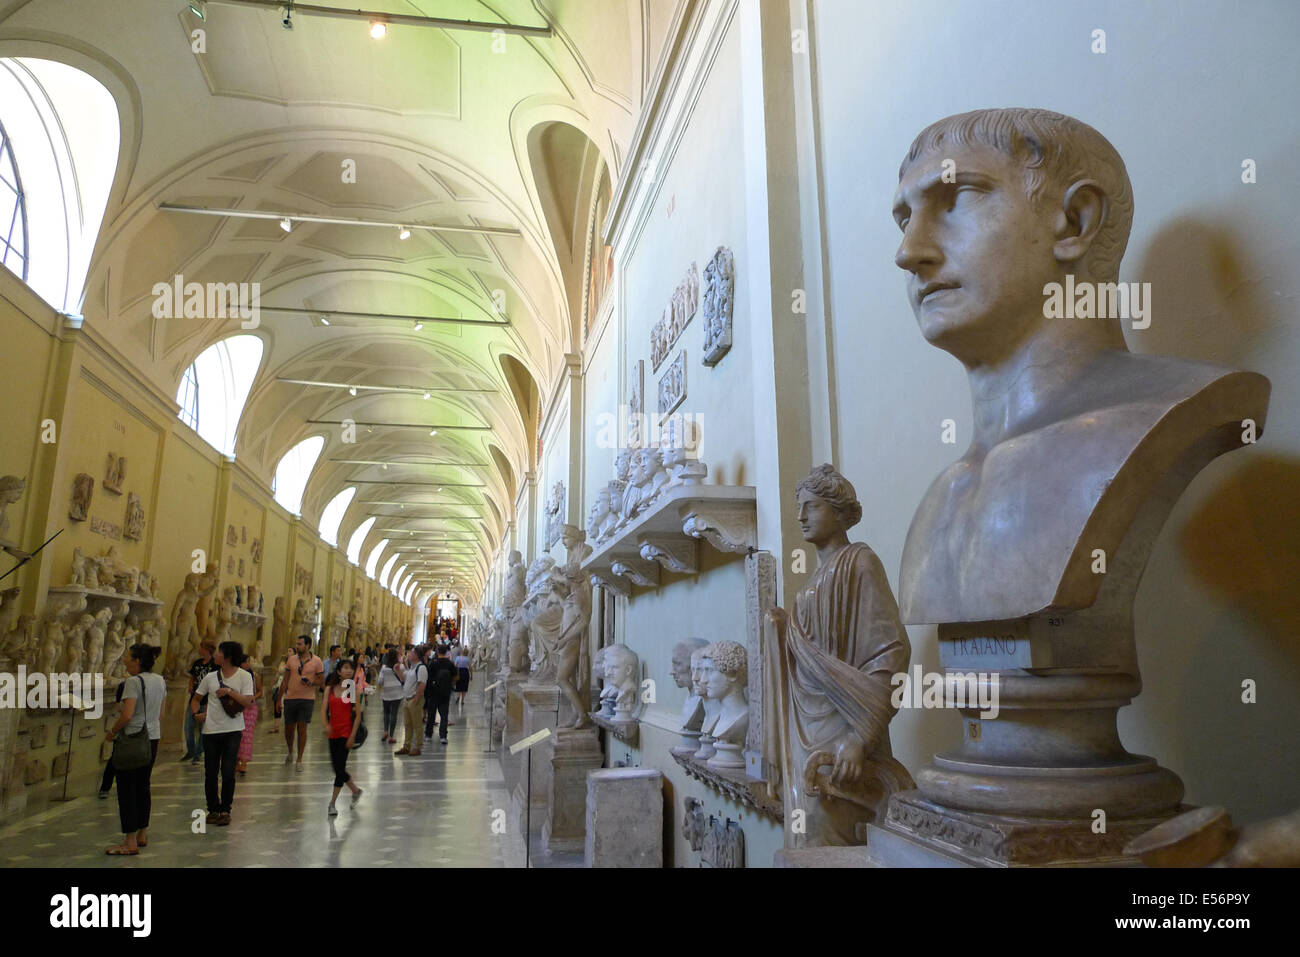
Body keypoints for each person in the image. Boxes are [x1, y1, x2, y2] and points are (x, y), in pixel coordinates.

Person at [104, 644, 166, 855]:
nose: (125, 661)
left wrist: (112, 732)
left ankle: (129, 841)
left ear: (137, 660)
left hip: (132, 738)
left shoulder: (133, 682)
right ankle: (142, 832)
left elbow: (127, 714)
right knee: (143, 786)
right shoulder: (159, 680)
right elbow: (161, 713)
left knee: (126, 789)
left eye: (128, 657)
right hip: (152, 737)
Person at [192, 641, 255, 827]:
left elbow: (248, 701)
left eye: (219, 652)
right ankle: (212, 809)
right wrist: (196, 714)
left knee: (228, 772)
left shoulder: (244, 676)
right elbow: (196, 698)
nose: (216, 655)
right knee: (210, 773)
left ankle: (225, 809)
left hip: (233, 730)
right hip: (210, 730)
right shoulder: (210, 677)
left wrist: (228, 691)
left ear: (227, 656)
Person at [322, 659, 364, 815]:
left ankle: (332, 803)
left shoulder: (350, 690)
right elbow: (324, 708)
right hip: (333, 731)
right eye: (345, 668)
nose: (349, 671)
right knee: (337, 767)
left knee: (339, 769)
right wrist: (326, 724)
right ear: (339, 671)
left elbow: (356, 715)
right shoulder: (331, 689)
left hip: (346, 732)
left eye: (351, 668)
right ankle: (355, 790)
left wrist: (352, 735)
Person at [280, 634, 324, 771]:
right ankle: (290, 751)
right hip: (290, 698)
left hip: (307, 699)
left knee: (302, 728)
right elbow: (285, 679)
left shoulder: (317, 661)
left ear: (308, 646)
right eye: (297, 644)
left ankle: (299, 758)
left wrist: (311, 682)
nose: (297, 646)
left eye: (300, 644)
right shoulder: (291, 660)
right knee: (288, 728)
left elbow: (321, 680)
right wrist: (278, 698)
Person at [180, 640, 216, 765]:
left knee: (203, 728)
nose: (199, 649)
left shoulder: (214, 665)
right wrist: (190, 686)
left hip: (208, 700)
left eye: (201, 647)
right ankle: (191, 750)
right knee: (188, 726)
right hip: (195, 699)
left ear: (206, 649)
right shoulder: (197, 663)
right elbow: (192, 677)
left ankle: (198, 753)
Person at [395, 645, 427, 756]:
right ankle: (406, 746)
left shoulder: (421, 668)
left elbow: (422, 684)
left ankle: (418, 746)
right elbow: (405, 680)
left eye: (412, 653)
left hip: (414, 699)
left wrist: (416, 698)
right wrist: (398, 671)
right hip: (407, 698)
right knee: (407, 724)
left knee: (417, 724)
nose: (409, 654)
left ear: (417, 655)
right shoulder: (412, 667)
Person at [236, 654, 263, 775]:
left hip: (250, 708)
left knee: (247, 735)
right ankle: (236, 761)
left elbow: (259, 691)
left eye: (249, 662)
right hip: (237, 707)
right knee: (237, 734)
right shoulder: (235, 676)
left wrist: (253, 697)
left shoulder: (254, 676)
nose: (248, 664)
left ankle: (244, 762)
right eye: (246, 662)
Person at [425, 644, 458, 745]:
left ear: (437, 651)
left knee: (431, 714)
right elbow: (456, 677)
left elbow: (428, 677)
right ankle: (443, 736)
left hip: (433, 692)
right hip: (445, 692)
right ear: (446, 652)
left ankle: (428, 735)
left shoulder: (433, 663)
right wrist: (450, 684)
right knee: (444, 715)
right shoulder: (449, 663)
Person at [377, 650, 404, 743]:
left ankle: (385, 731)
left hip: (386, 694)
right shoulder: (400, 666)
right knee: (394, 714)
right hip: (397, 694)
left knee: (386, 713)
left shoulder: (384, 668)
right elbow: (404, 679)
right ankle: (391, 736)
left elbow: (380, 681)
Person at [452, 645, 471, 710]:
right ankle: (462, 700)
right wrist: (471, 675)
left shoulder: (458, 658)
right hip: (465, 672)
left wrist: (454, 674)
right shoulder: (467, 659)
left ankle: (458, 696)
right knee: (465, 686)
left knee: (459, 685)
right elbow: (470, 668)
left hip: (459, 671)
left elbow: (455, 665)